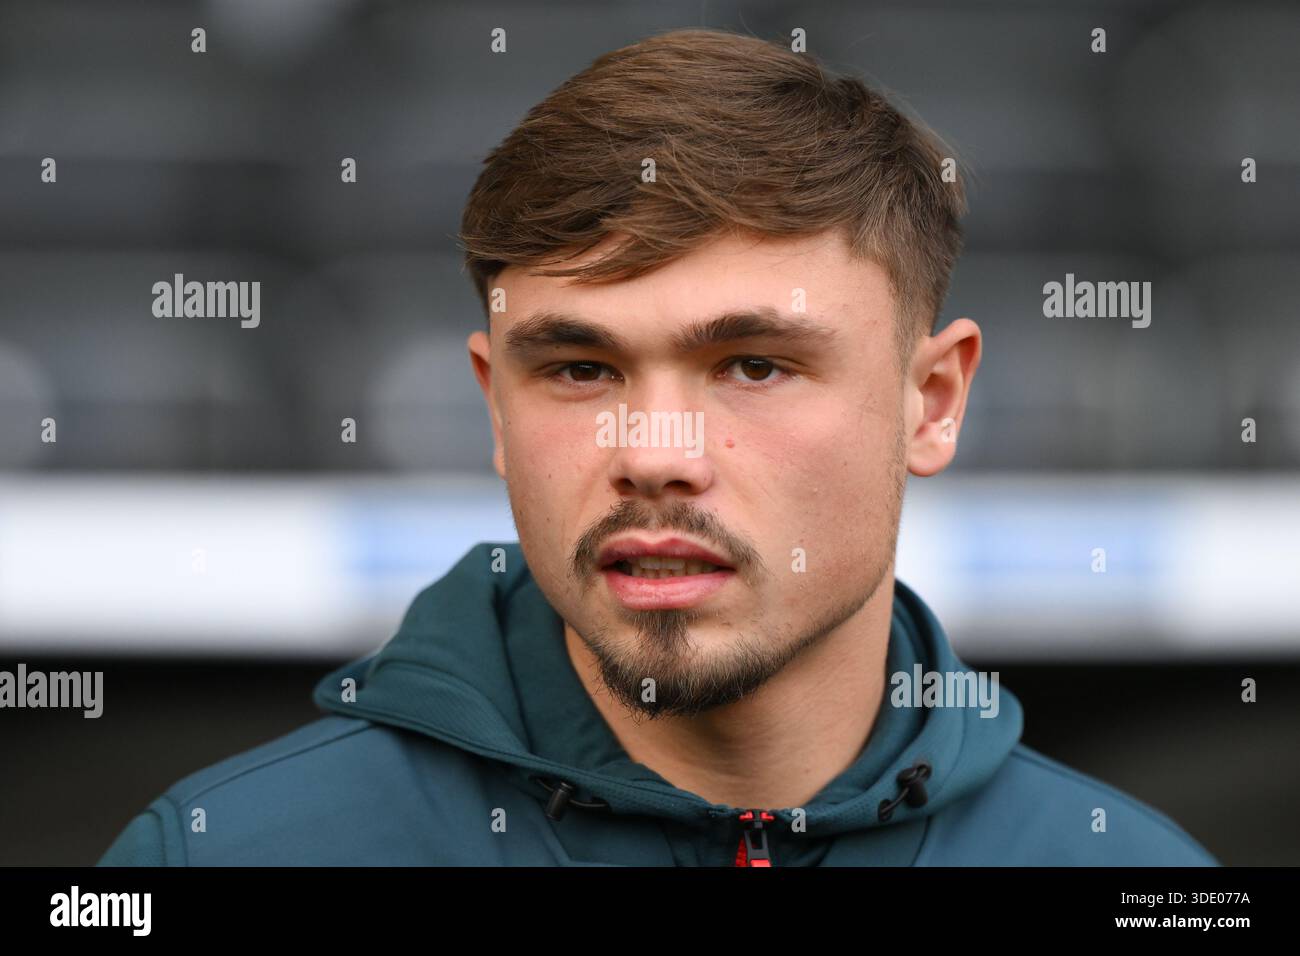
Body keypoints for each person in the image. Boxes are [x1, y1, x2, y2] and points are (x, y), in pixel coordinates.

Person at [98, 28, 1216, 867]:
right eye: (580, 368)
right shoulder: (222, 854)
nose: (655, 452)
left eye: (754, 364)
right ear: (495, 407)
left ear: (930, 402)